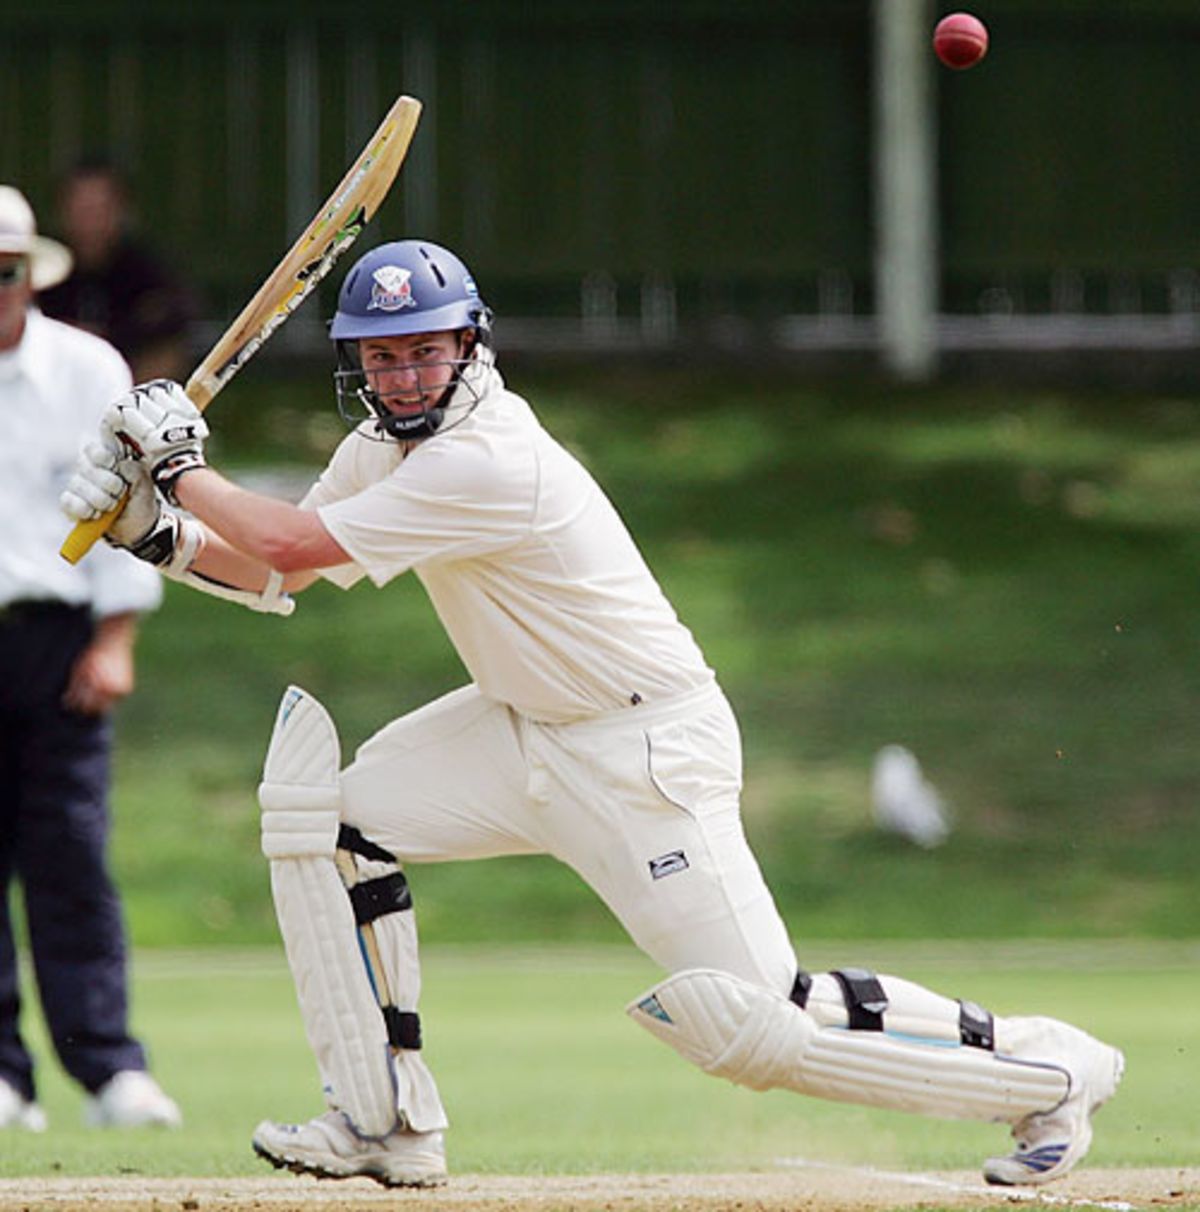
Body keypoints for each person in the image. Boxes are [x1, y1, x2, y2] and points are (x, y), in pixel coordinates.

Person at [61, 239, 1121, 1186]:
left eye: (426, 351)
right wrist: (151, 530)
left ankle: (1049, 1073)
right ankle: (385, 1122)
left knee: (758, 1023)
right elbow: (278, 570)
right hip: (518, 728)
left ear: (470, 345)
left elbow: (290, 543)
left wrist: (178, 466)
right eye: (384, 357)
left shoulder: (490, 457)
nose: (406, 375)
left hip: (641, 751)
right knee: (329, 821)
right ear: (359, 366)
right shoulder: (384, 447)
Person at [0, 185, 181, 1131]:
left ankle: (107, 1065)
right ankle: (3, 1078)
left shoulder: (86, 368)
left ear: (31, 276)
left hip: (57, 638)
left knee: (69, 853)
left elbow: (127, 508)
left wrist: (117, 638)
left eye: (5, 273)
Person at [38, 157, 194, 383]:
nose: (91, 222)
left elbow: (174, 313)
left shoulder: (143, 267)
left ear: (121, 211)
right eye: (82, 210)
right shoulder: (45, 266)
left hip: (127, 371)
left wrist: (106, 336)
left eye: (100, 210)